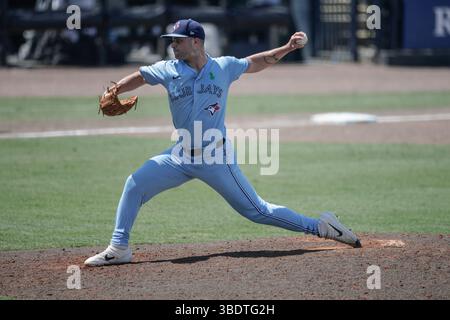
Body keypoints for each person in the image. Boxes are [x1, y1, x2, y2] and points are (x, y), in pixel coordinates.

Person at [85, 19, 361, 267]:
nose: (173, 46)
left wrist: (287, 47)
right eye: (171, 41)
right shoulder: (168, 69)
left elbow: (257, 61)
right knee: (135, 184)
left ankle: (322, 227)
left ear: (196, 42)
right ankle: (119, 248)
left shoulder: (223, 67)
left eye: (178, 40)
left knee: (257, 211)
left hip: (216, 158)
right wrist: (116, 89)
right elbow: (141, 76)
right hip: (180, 156)